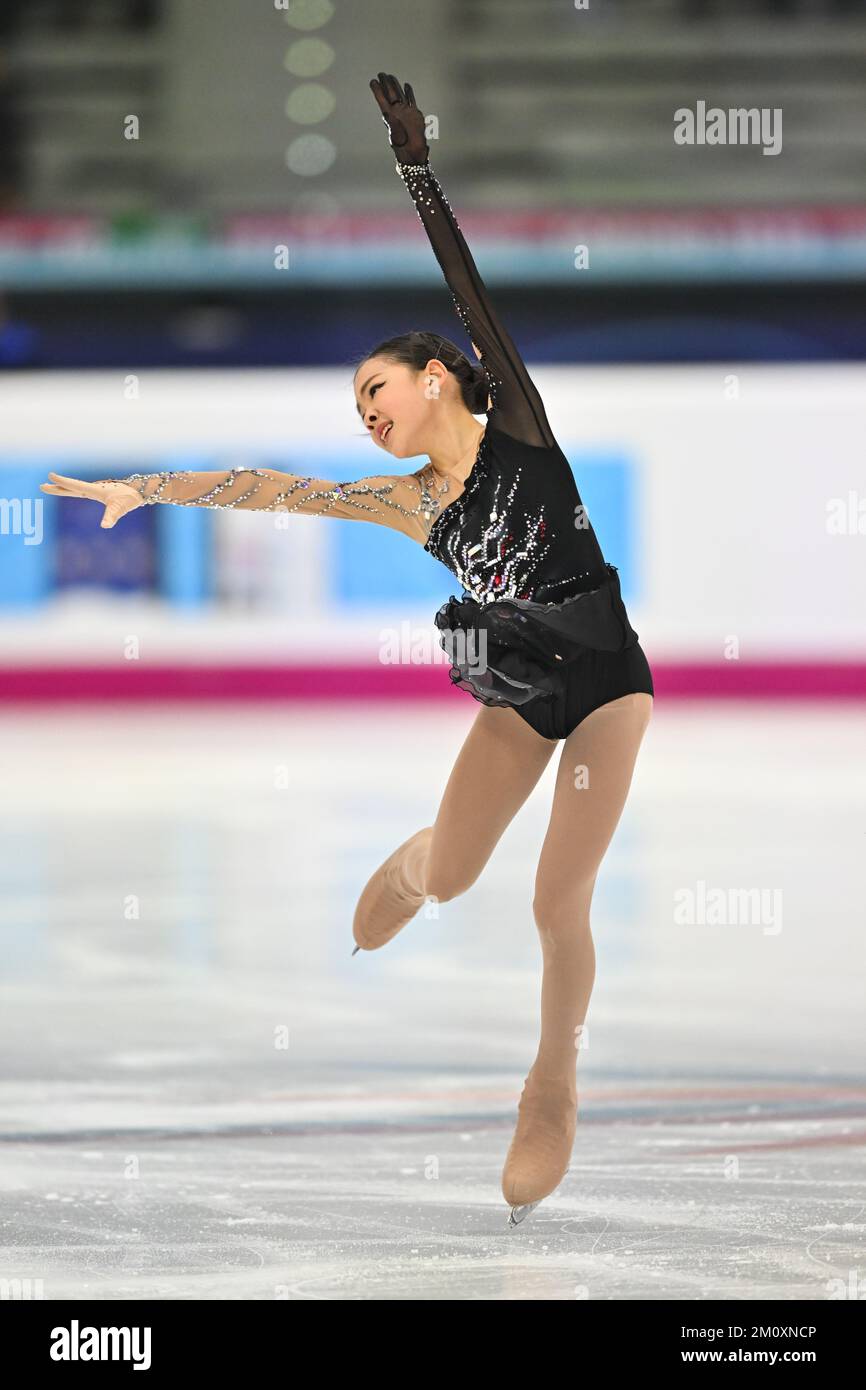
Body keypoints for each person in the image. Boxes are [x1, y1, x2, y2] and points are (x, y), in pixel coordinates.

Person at [39, 72, 654, 1228]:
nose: (364, 413)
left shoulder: (515, 418)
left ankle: (549, 1086)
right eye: (353, 403)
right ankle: (412, 867)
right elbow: (277, 486)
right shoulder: (408, 505)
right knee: (455, 874)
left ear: (434, 378)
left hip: (609, 684)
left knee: (552, 901)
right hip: (521, 696)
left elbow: (466, 288)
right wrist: (145, 487)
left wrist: (414, 167)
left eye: (374, 389)